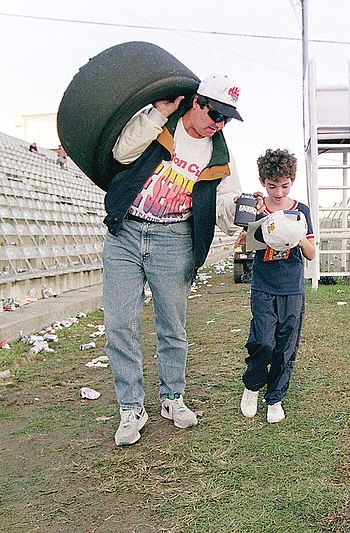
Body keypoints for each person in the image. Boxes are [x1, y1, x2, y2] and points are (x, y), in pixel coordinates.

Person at [103, 73, 244, 446]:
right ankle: (131, 407)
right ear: (197, 103)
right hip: (126, 232)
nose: (220, 123)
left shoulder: (219, 155)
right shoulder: (160, 122)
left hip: (174, 238)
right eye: (216, 114)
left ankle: (172, 398)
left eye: (227, 118)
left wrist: (246, 209)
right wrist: (156, 114)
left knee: (172, 325)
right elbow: (121, 153)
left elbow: (228, 208)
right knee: (119, 322)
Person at [234, 149, 315, 424]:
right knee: (263, 341)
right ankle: (252, 386)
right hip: (264, 285)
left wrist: (297, 236)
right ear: (262, 181)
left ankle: (276, 397)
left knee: (285, 345)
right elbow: (246, 246)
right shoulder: (257, 207)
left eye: (284, 185)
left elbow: (312, 253)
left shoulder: (301, 211)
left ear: (292, 181)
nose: (278, 192)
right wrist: (252, 228)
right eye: (272, 186)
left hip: (292, 287)